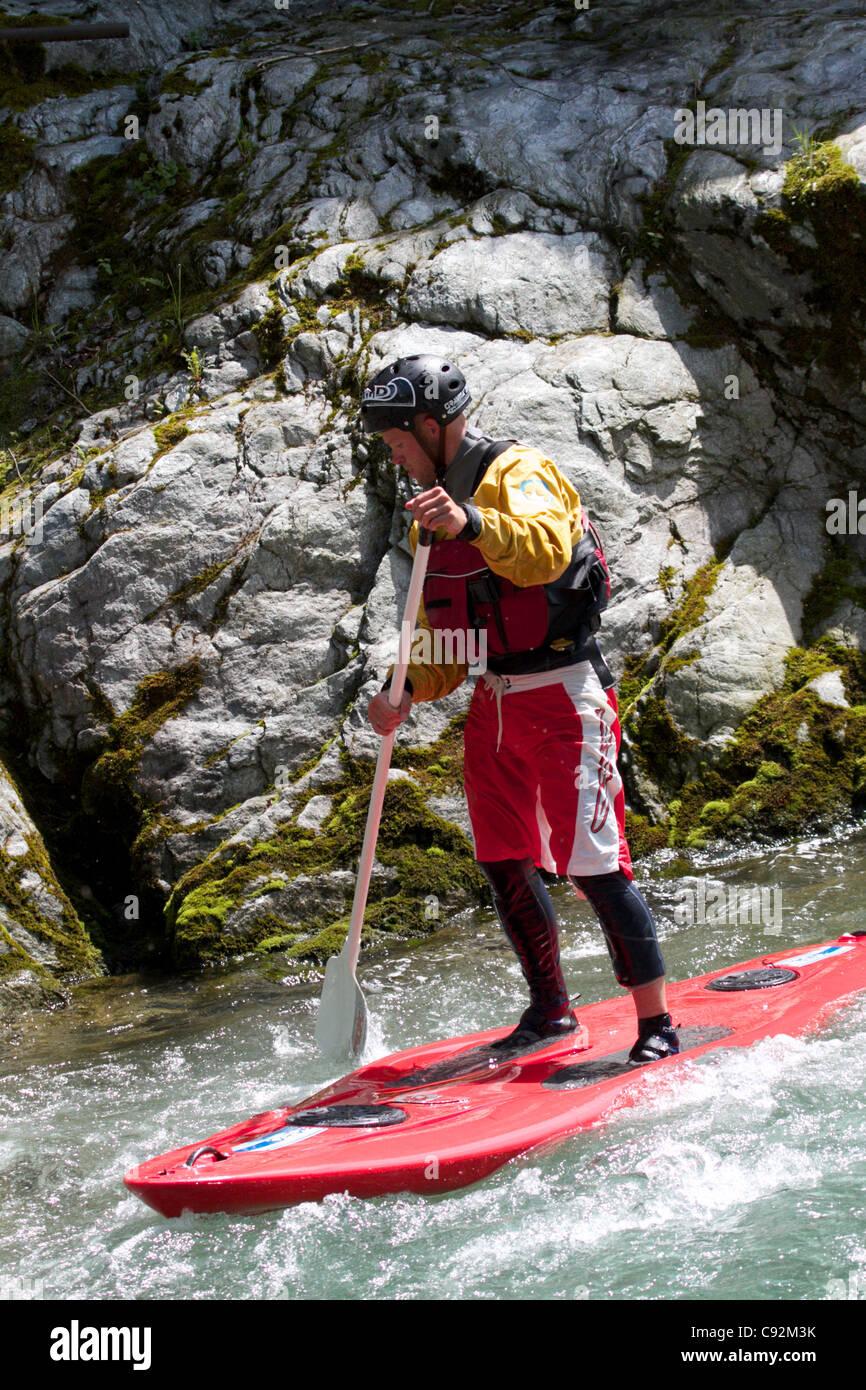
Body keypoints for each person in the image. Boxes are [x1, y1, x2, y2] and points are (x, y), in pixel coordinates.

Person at [360, 354, 678, 1065]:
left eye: (399, 441)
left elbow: (539, 556)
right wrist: (402, 689)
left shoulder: (519, 473)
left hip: (567, 692)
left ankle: (656, 1022)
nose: (397, 456)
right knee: (504, 860)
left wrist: (471, 521)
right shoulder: (429, 515)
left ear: (434, 425)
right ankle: (550, 1010)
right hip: (496, 700)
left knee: (595, 866)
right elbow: (451, 637)